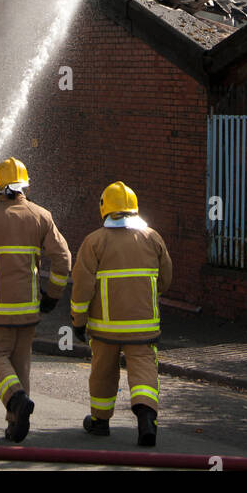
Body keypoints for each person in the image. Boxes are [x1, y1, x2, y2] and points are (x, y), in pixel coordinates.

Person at [0, 156, 71, 442]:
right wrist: (52, 296)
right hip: (29, 311)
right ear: (23, 187)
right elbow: (63, 260)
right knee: (21, 365)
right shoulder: (41, 216)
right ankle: (16, 422)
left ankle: (15, 398)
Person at [70, 181, 172, 447]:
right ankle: (147, 420)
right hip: (143, 325)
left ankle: (100, 421)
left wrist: (78, 322)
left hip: (106, 327)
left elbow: (82, 287)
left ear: (104, 208)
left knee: (103, 372)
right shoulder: (152, 238)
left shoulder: (94, 242)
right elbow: (165, 279)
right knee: (144, 372)